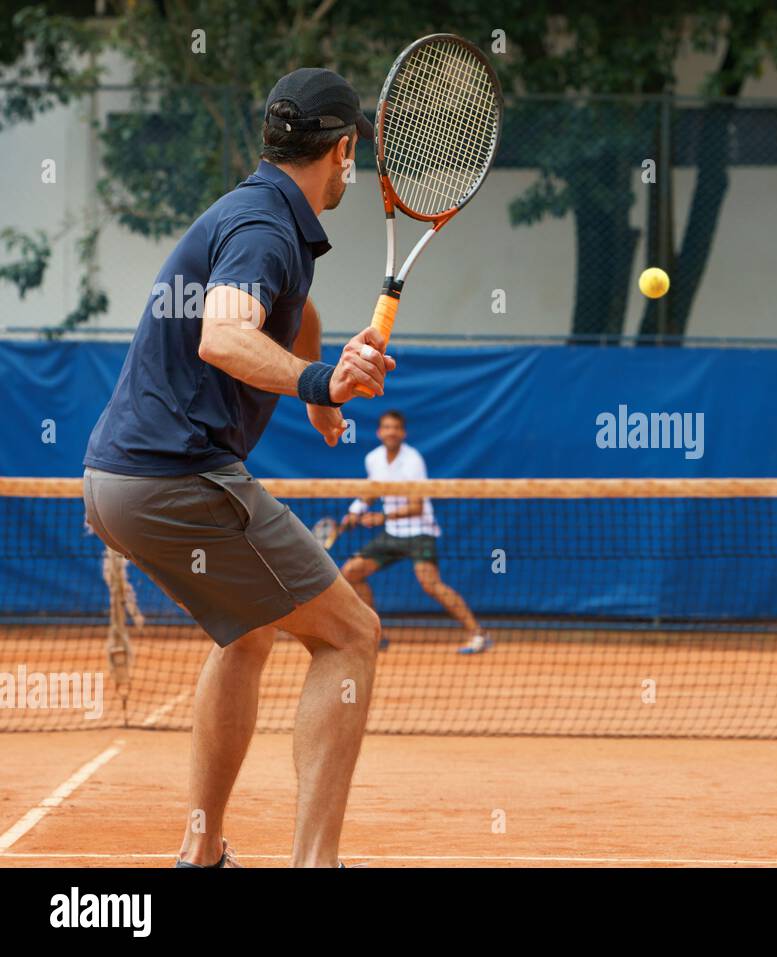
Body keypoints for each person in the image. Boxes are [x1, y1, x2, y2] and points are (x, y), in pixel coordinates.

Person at [82, 68, 392, 869]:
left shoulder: (258, 213)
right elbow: (222, 336)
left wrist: (320, 387)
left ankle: (201, 847)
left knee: (249, 632)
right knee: (352, 634)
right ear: (345, 148)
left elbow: (295, 309)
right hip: (175, 475)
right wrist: (319, 381)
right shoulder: (265, 229)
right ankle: (315, 862)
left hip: (116, 481)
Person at [340, 410, 492, 655]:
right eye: (386, 427)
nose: (391, 432)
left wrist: (382, 517)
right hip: (393, 533)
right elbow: (373, 489)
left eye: (396, 428)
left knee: (431, 584)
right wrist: (355, 510)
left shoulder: (413, 460)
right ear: (380, 432)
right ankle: (375, 634)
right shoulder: (373, 458)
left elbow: (416, 505)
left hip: (419, 531)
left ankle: (478, 634)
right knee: (351, 572)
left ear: (403, 433)